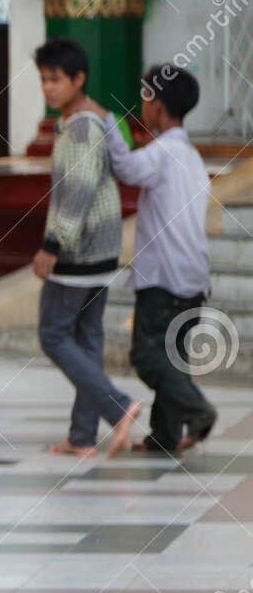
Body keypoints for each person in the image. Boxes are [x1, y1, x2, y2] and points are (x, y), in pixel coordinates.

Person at [78, 67, 217, 454]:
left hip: (164, 277)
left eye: (145, 96)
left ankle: (197, 409)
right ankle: (165, 436)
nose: (142, 104)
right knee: (175, 357)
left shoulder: (163, 154)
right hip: (193, 276)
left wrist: (107, 124)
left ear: (158, 106)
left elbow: (126, 168)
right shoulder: (189, 156)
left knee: (146, 355)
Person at [31, 37, 140, 458]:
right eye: (43, 79)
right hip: (103, 249)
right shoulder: (93, 121)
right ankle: (81, 437)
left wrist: (52, 245)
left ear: (79, 79)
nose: (48, 88)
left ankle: (119, 407)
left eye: (56, 79)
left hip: (78, 250)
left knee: (54, 334)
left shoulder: (79, 127)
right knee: (88, 338)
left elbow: (76, 191)